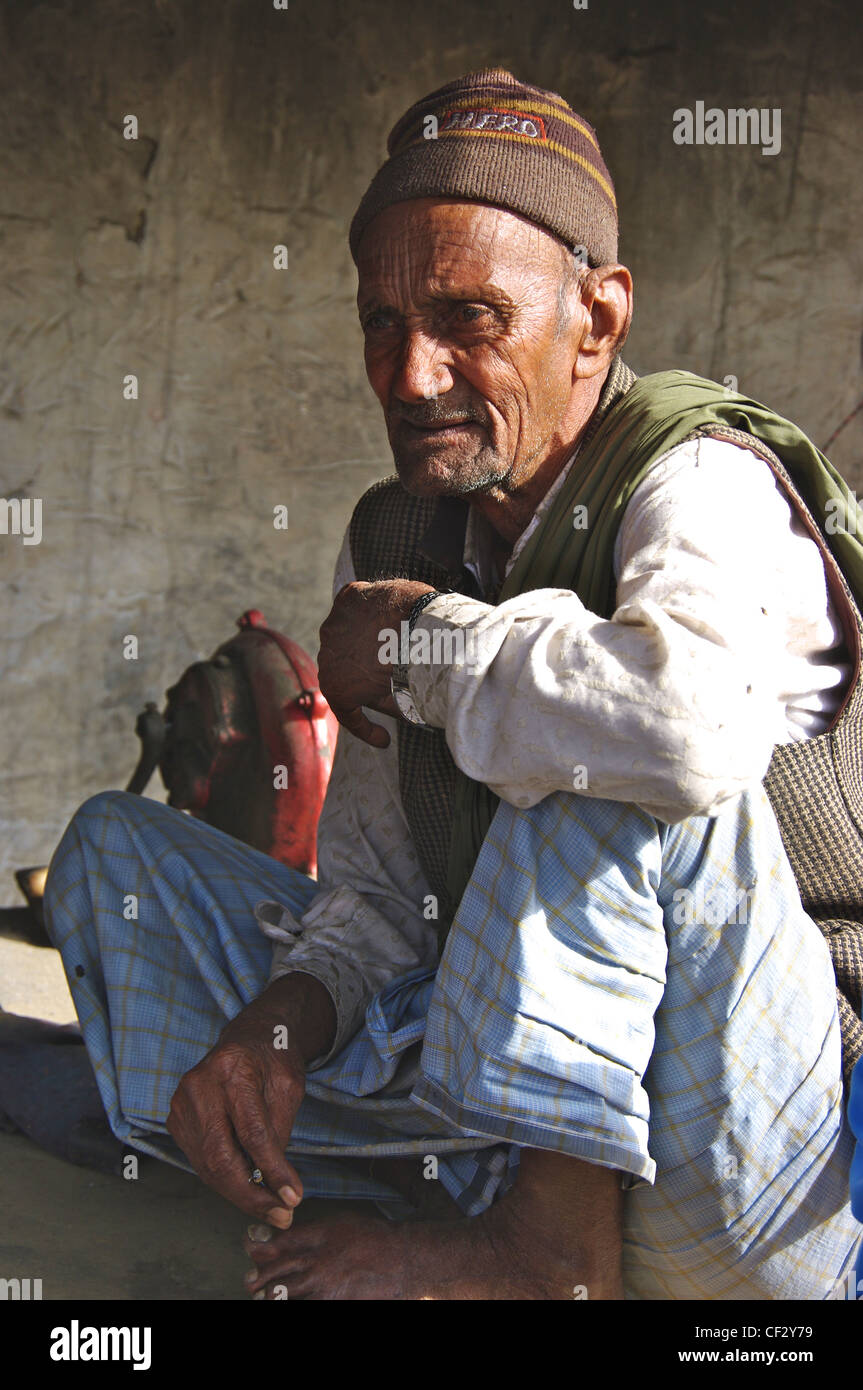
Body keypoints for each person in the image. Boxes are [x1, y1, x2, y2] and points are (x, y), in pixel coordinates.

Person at [43, 69, 863, 1300]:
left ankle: (536, 1258)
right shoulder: (399, 537)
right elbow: (374, 892)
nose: (410, 375)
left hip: (762, 1151)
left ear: (596, 319)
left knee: (588, 719)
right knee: (116, 855)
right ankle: (450, 1192)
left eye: (469, 319)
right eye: (381, 321)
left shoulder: (700, 481)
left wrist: (431, 647)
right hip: (524, 1105)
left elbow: (681, 731)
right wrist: (273, 1030)